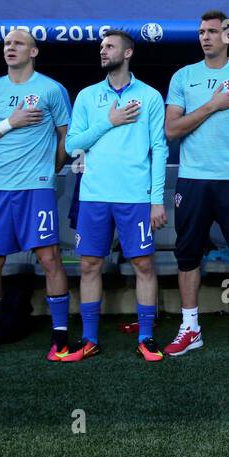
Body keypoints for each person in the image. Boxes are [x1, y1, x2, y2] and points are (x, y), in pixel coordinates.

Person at [0, 30, 74, 364]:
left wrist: (50, 170)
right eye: (7, 44)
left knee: (50, 258)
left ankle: (61, 337)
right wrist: (10, 122)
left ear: (33, 51)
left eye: (18, 43)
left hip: (36, 189)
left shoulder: (51, 89)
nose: (10, 48)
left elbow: (67, 136)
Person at [164, 11, 229, 356]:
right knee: (187, 254)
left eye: (212, 31)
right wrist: (212, 106)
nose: (205, 37)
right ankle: (190, 328)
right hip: (192, 180)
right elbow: (172, 130)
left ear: (227, 36)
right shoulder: (183, 76)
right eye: (201, 32)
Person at [63, 31, 167, 361]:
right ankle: (89, 338)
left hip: (135, 196)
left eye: (109, 46)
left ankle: (147, 337)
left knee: (143, 264)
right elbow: (71, 146)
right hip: (94, 195)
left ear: (128, 52)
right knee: (90, 264)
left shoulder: (149, 96)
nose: (103, 51)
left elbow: (159, 149)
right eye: (101, 47)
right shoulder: (87, 96)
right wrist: (109, 121)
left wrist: (157, 199)